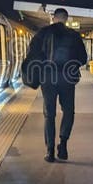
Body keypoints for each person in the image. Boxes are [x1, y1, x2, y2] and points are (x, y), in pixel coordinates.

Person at [22, 8, 87, 163]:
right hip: (67, 78)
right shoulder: (74, 35)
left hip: (48, 78)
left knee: (49, 114)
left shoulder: (43, 33)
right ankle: (63, 144)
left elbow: (32, 54)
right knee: (69, 111)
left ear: (53, 18)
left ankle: (50, 151)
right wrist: (71, 66)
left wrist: (35, 73)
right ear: (66, 19)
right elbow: (83, 58)